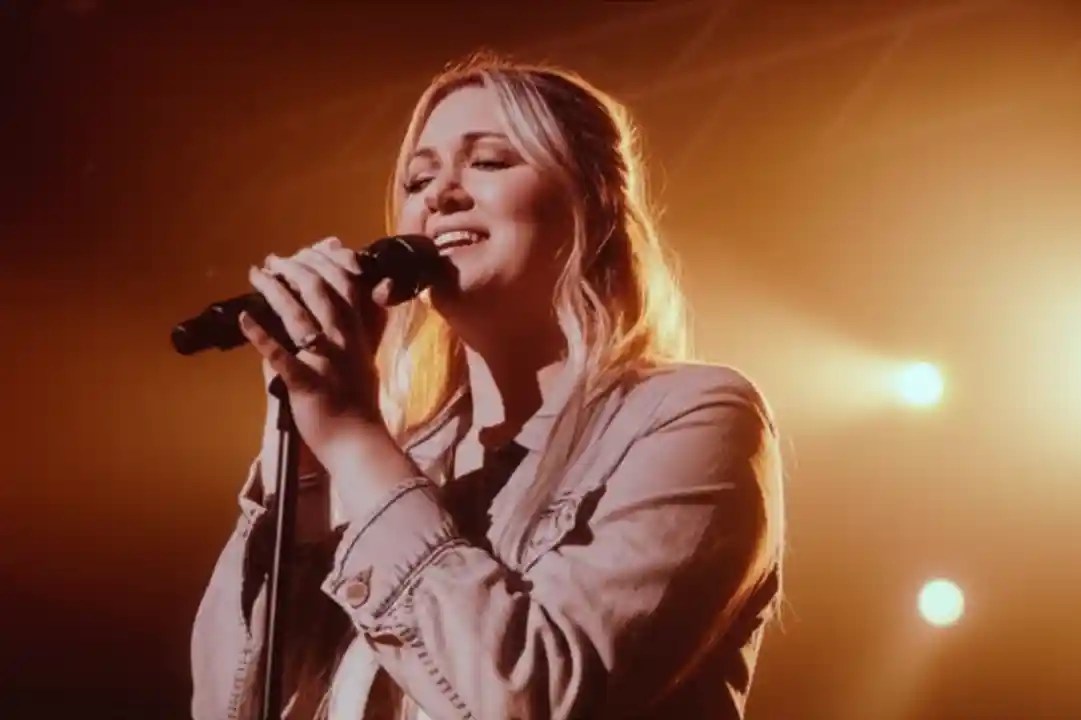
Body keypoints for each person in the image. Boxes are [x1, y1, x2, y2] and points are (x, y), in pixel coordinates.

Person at [190, 52, 785, 720]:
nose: (440, 194)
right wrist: (300, 464)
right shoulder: (404, 461)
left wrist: (355, 441)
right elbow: (230, 705)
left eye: (490, 161)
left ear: (592, 201)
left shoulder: (692, 417)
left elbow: (537, 697)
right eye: (419, 178)